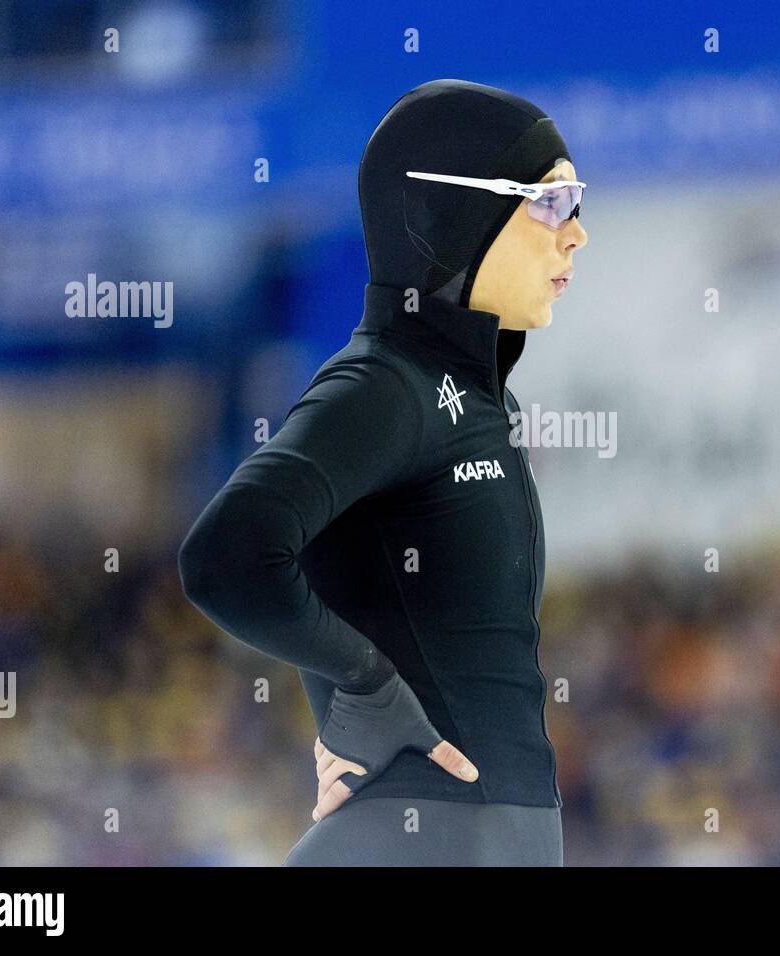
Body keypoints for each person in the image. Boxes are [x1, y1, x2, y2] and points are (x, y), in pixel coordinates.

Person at [177, 78, 587, 866]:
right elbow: (226, 555)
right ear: (447, 216)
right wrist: (365, 686)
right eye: (550, 200)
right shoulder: (385, 386)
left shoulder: (473, 403)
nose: (576, 233)